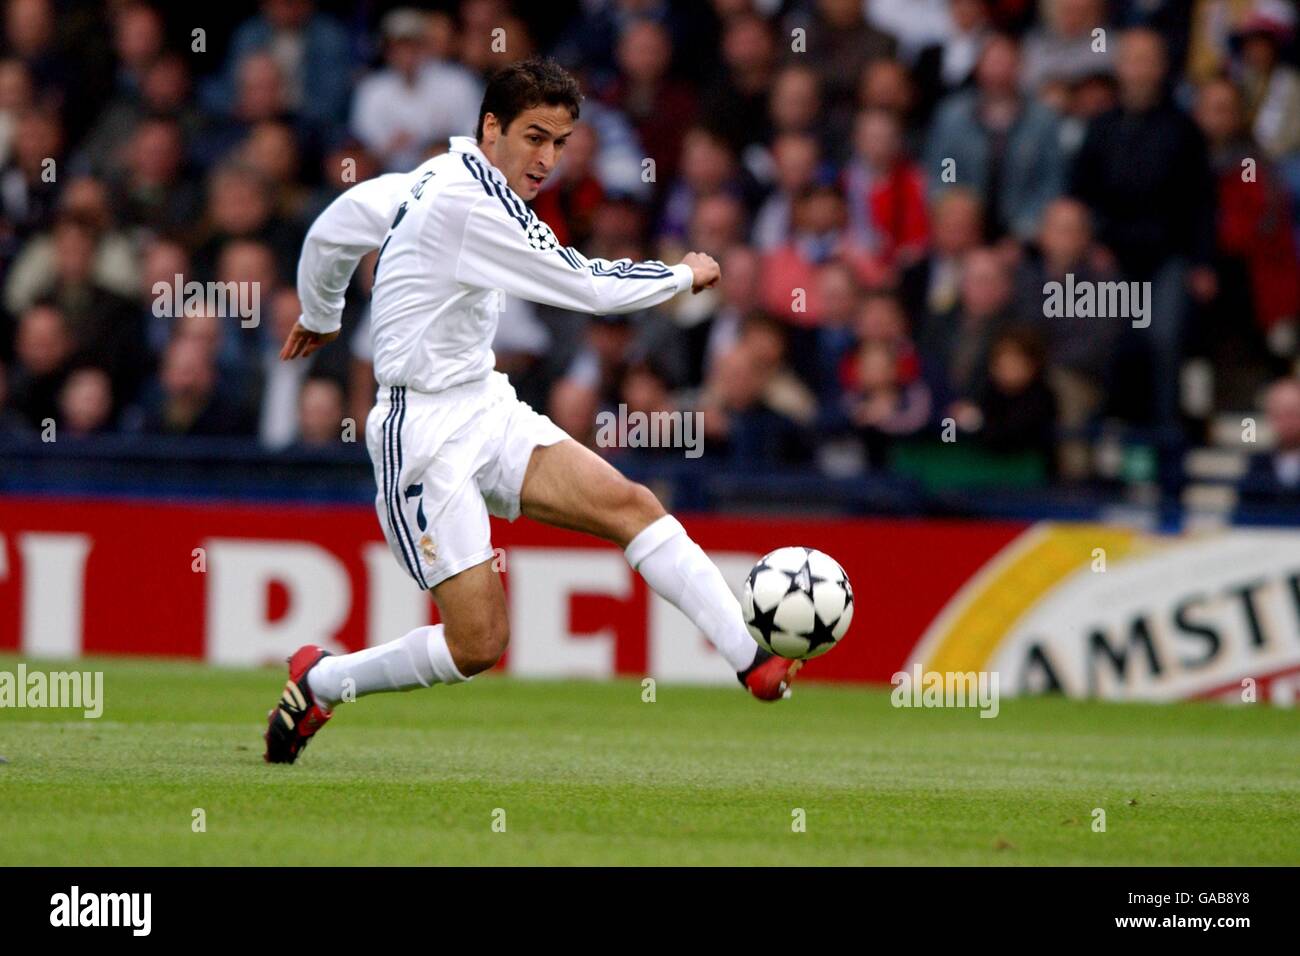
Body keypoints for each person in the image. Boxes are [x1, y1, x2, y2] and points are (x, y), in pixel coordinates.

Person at [263, 58, 801, 764]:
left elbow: (337, 225)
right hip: (421, 433)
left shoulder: (434, 176)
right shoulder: (467, 206)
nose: (547, 158)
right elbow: (588, 288)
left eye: (560, 142)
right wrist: (682, 273)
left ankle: (750, 659)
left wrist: (321, 309)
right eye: (534, 137)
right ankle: (323, 679)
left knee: (630, 503)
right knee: (478, 645)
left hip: (482, 402)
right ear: (491, 128)